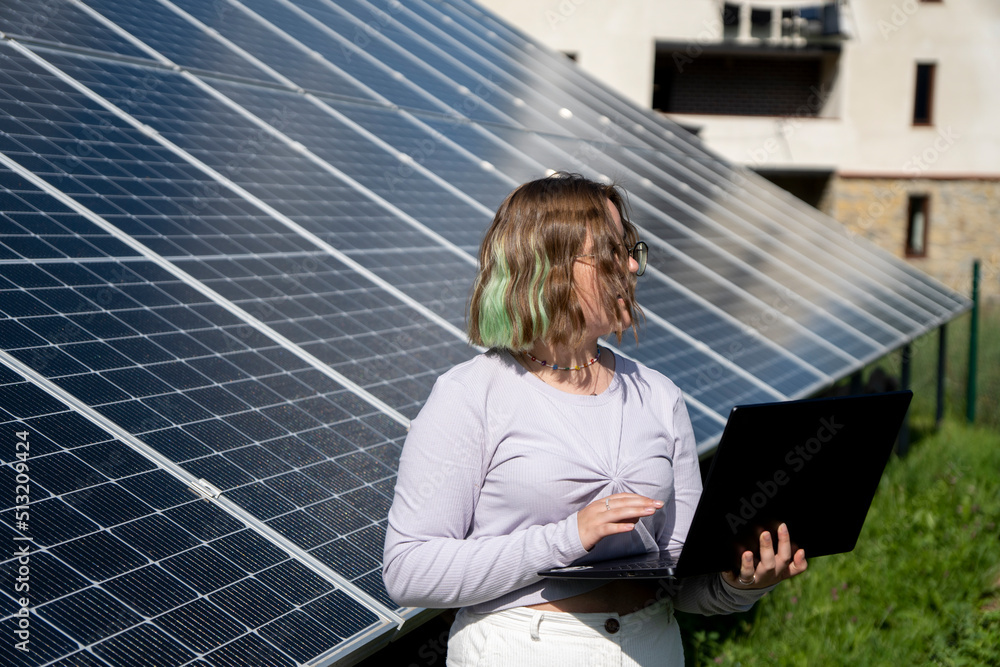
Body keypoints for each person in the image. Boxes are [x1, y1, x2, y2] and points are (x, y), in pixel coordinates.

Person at [383, 173, 807, 665]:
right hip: (521, 648)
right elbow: (409, 570)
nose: (630, 265)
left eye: (631, 249)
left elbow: (685, 583)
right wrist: (567, 537)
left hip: (653, 646)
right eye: (609, 252)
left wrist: (739, 583)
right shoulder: (470, 394)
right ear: (548, 266)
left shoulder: (658, 395)